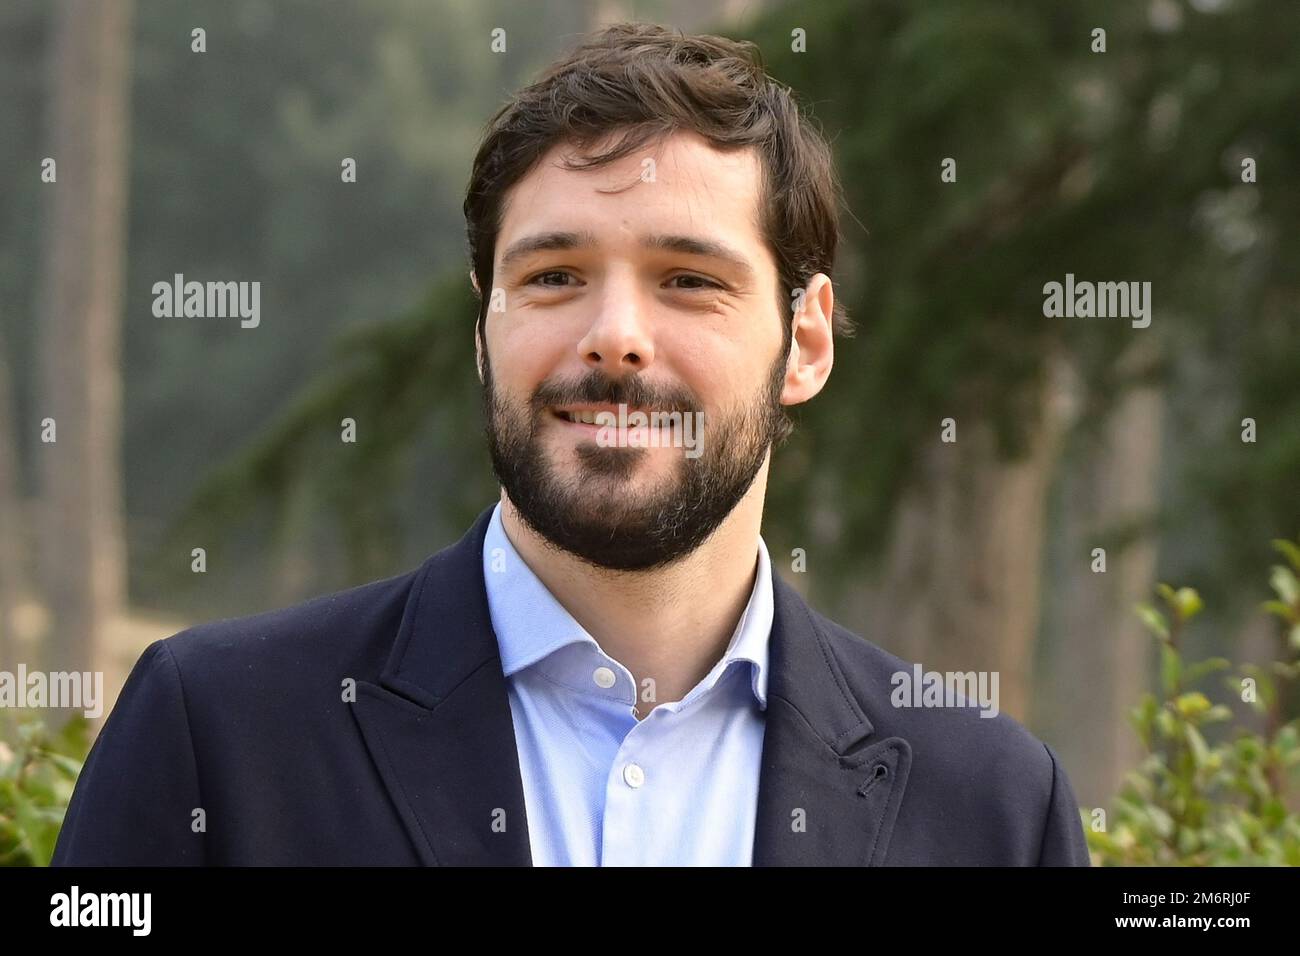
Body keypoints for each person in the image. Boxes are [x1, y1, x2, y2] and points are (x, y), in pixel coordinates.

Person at [52, 22, 1089, 866]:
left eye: (690, 279)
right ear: (484, 327)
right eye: (553, 276)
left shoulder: (995, 810)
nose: (615, 336)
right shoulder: (220, 736)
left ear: (804, 342)